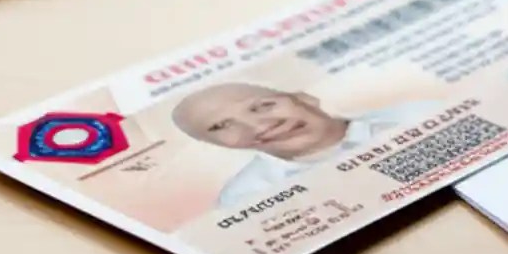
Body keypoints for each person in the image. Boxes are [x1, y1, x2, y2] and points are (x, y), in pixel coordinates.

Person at [171, 82, 439, 207]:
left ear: (305, 98)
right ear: (211, 144)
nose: (259, 125)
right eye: (220, 126)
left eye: (264, 105)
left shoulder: (419, 115)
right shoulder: (246, 196)